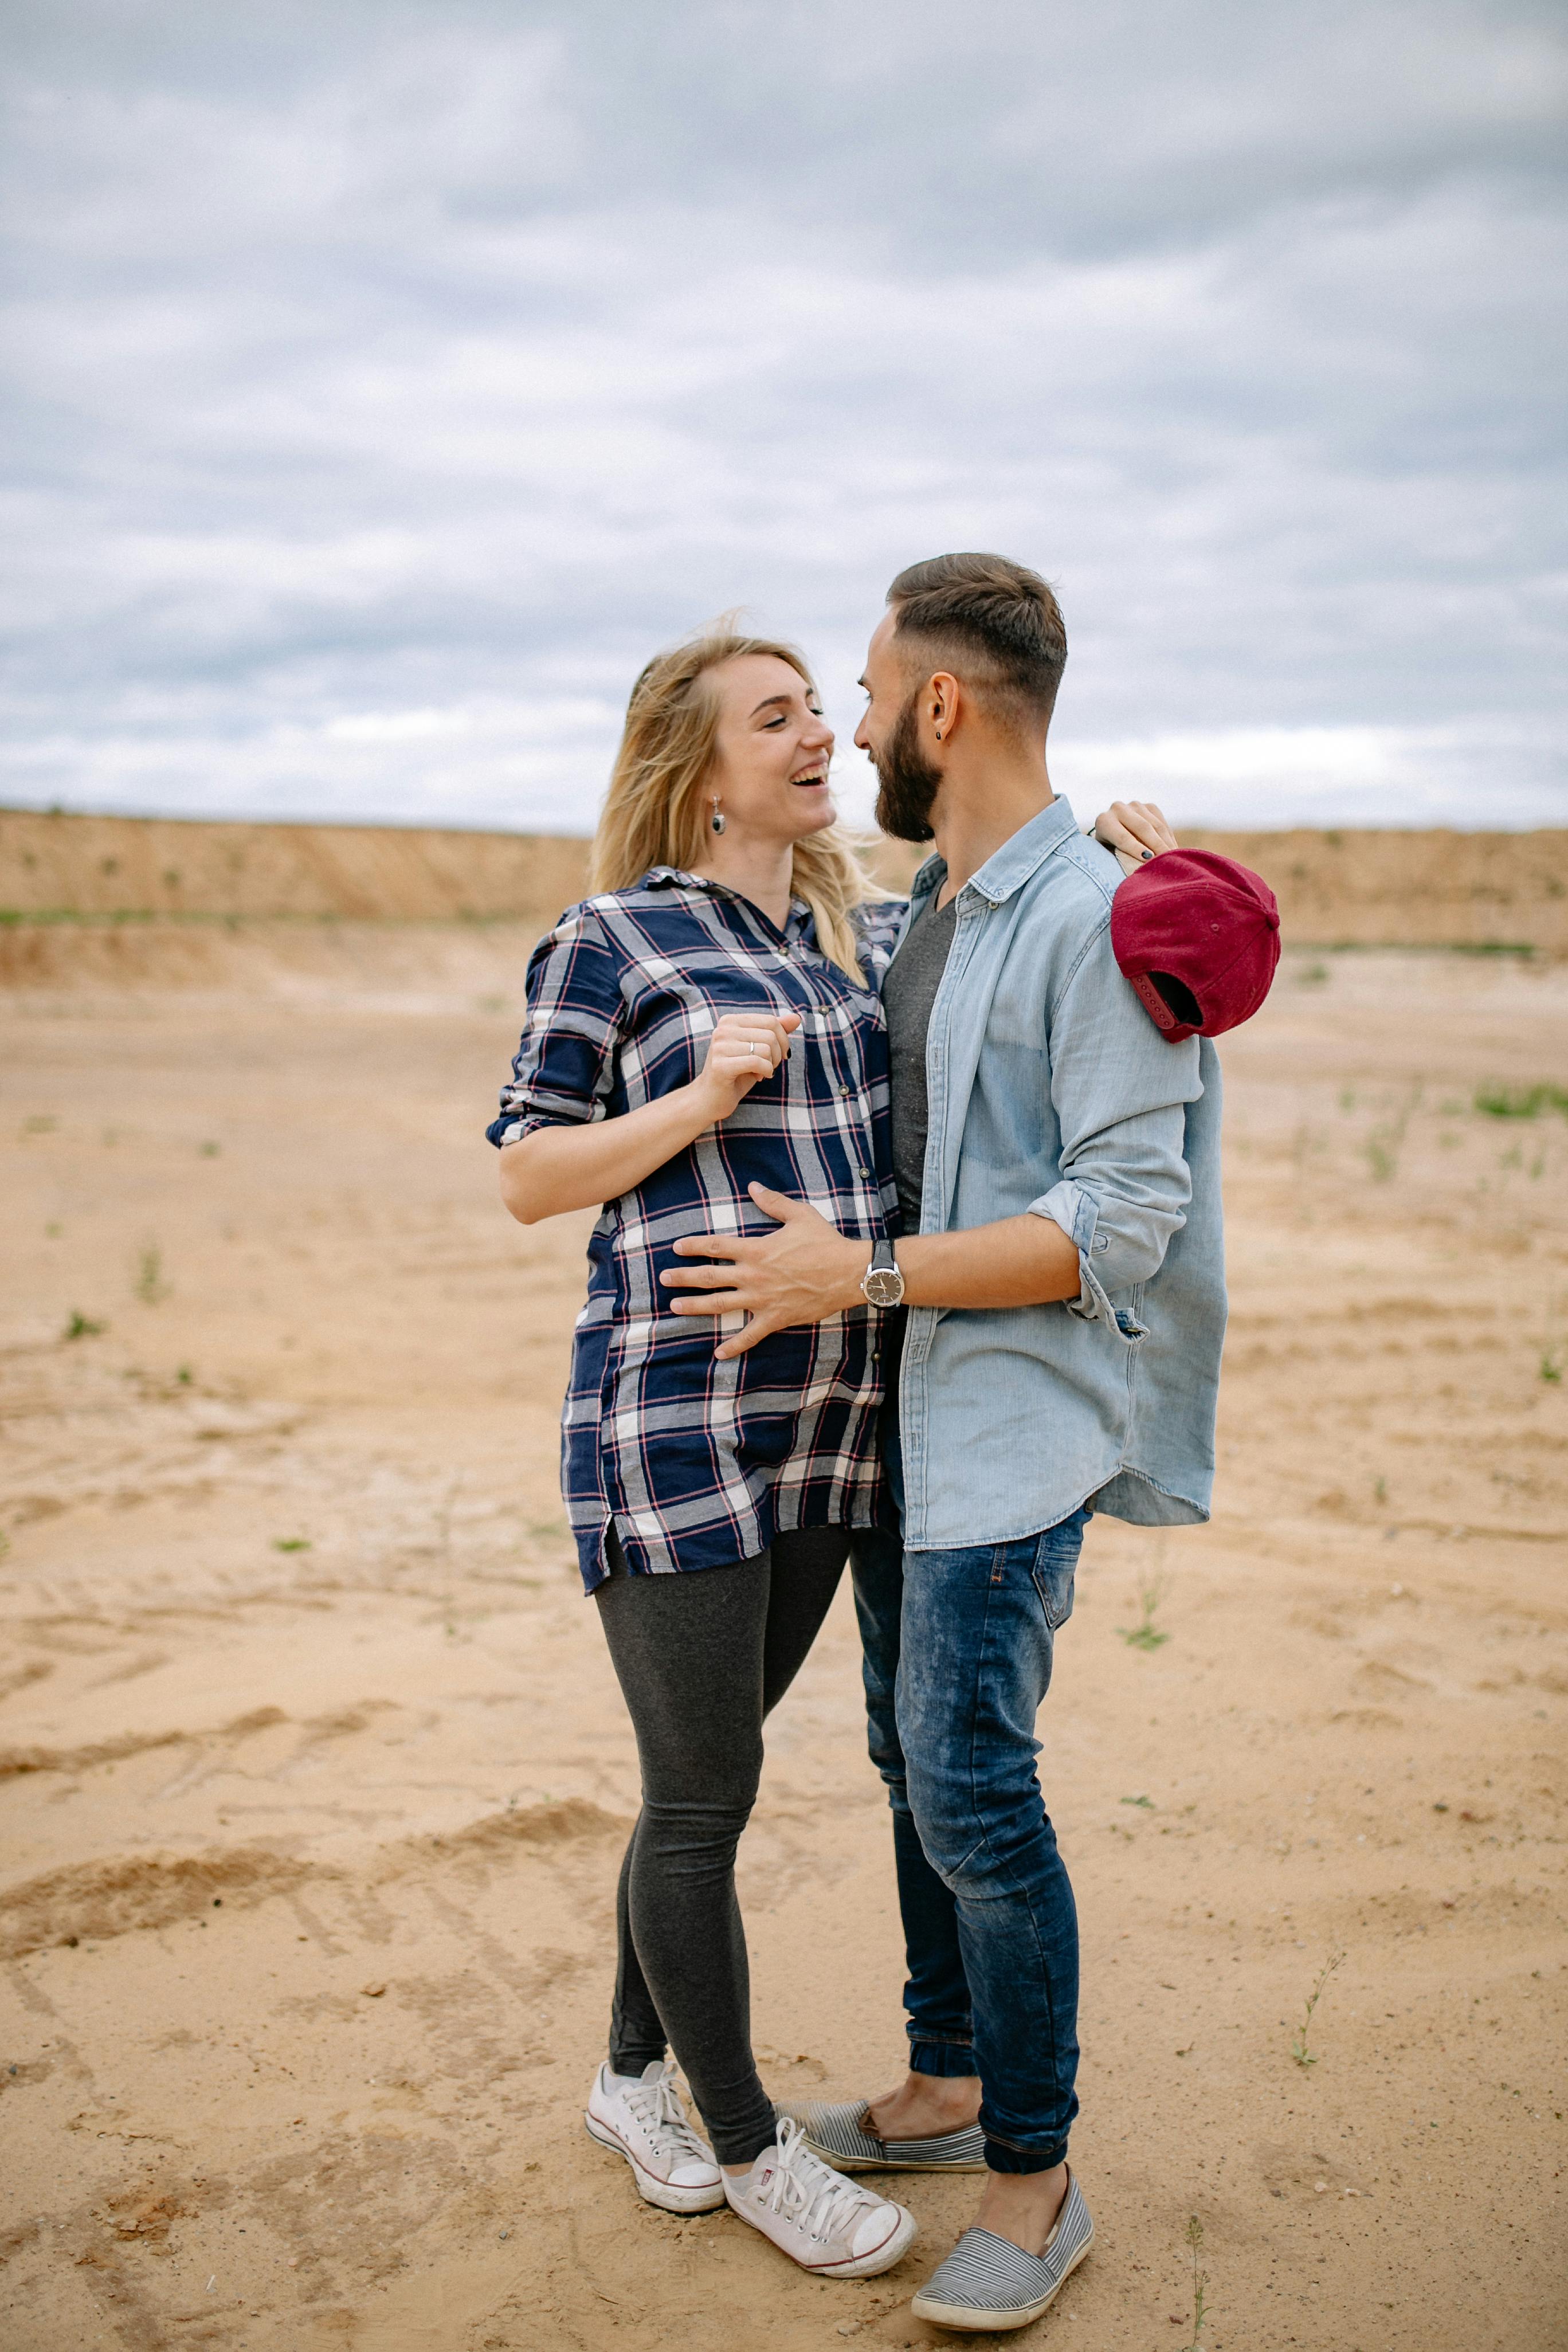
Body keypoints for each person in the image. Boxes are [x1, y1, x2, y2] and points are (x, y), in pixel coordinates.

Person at [658, 554, 1228, 2332]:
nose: (849, 717)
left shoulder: (1103, 917)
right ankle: (944, 2080)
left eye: (869, 683)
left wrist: (867, 1272)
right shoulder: (938, 907)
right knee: (918, 1776)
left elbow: (1124, 1214)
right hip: (899, 1425)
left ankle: (1036, 2181)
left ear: (941, 706)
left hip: (1010, 1437)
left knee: (976, 1791)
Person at [487, 626, 922, 2280]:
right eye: (780, 716)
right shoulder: (612, 939)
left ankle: (626, 2079)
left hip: (829, 1426)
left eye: (822, 708)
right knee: (705, 1797)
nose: (820, 736)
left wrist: (1112, 860)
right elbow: (531, 1175)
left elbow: (1000, 930)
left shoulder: (854, 931)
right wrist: (698, 1099)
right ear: (700, 764)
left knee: (705, 1775)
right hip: (673, 1416)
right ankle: (749, 2145)